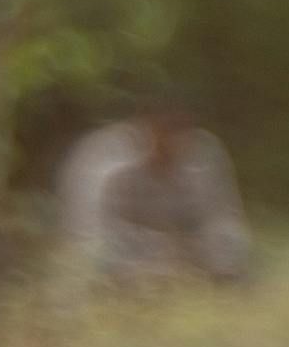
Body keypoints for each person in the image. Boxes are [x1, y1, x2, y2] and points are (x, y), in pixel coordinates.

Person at [51, 98, 257, 285]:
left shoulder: (202, 156)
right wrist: (152, 260)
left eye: (182, 127)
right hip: (118, 262)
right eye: (166, 127)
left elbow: (223, 220)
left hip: (181, 261)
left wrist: (222, 260)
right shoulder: (105, 161)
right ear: (145, 126)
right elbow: (89, 233)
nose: (176, 139)